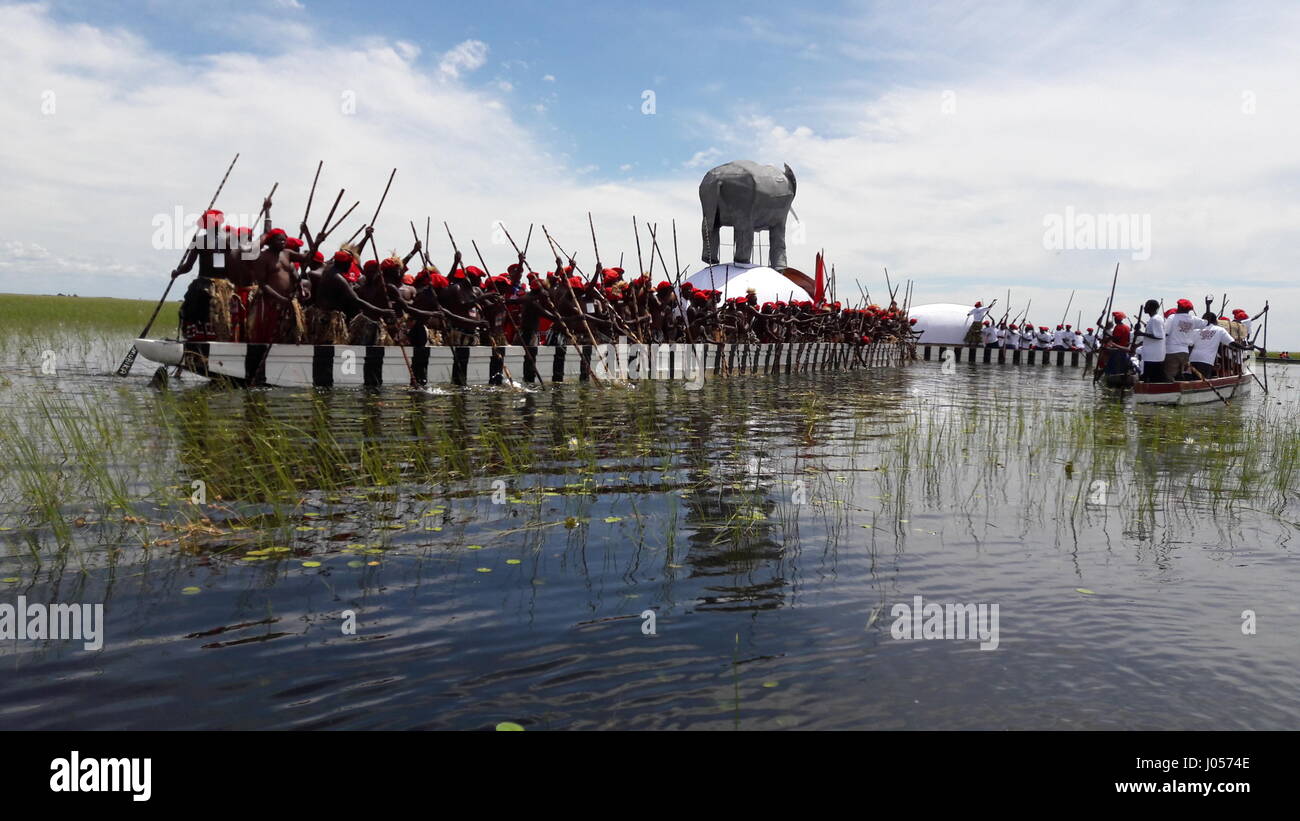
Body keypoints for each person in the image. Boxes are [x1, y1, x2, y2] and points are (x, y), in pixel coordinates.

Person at [1163, 298, 1203, 381]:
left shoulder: (1172, 317)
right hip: (1185, 352)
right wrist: (1208, 306)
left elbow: (1165, 333)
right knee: (1181, 376)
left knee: (1169, 377)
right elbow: (1206, 322)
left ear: (1180, 307)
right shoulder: (1193, 319)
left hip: (1172, 351)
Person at [1132, 299, 1167, 382]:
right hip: (1150, 355)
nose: (1144, 308)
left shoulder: (1156, 319)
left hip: (1154, 356)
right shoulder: (1153, 319)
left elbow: (1159, 336)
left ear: (1151, 308)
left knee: (1154, 379)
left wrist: (1142, 334)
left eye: (1146, 306)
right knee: (1149, 378)